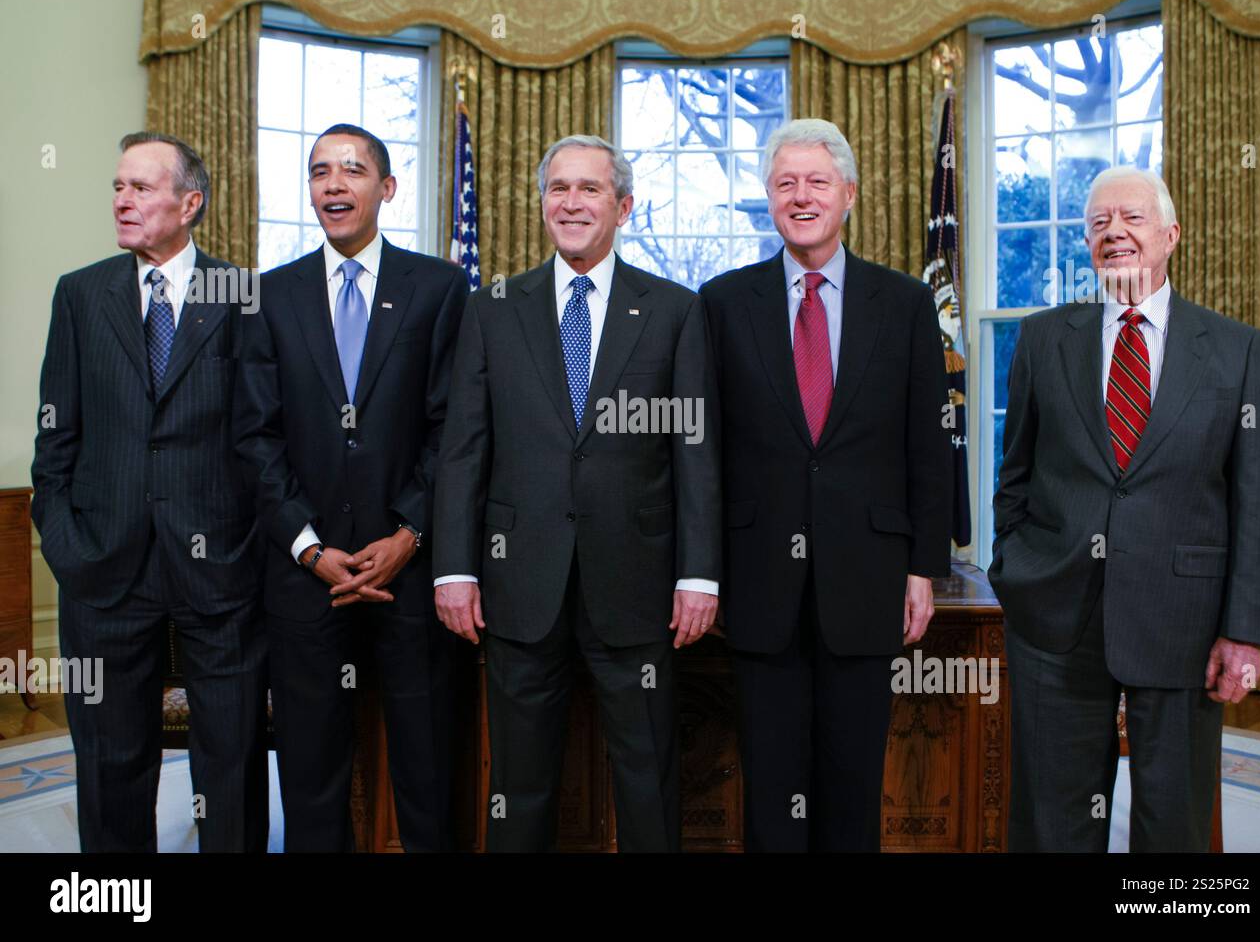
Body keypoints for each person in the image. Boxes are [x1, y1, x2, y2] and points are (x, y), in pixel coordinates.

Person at [432, 134, 722, 852]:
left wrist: (698, 573)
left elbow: (696, 451)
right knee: (520, 785)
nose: (571, 202)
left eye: (589, 189)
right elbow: (464, 447)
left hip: (639, 584)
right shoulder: (492, 308)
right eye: (558, 189)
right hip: (518, 584)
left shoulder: (674, 310)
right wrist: (455, 567)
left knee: (647, 776)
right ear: (541, 205)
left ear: (623, 206)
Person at [988, 166, 1260, 852]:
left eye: (1132, 218)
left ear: (1171, 236)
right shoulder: (1042, 340)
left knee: (1172, 821)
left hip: (1184, 619)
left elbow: (1256, 499)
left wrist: (1243, 630)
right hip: (1057, 616)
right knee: (1053, 819)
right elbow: (1016, 476)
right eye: (1097, 223)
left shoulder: (1234, 349)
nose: (1113, 232)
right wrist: (1016, 567)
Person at [698, 118, 953, 852]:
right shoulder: (723, 303)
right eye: (785, 184)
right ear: (768, 198)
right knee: (771, 790)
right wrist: (704, 573)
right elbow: (703, 450)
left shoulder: (903, 303)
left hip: (869, 578)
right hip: (757, 582)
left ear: (848, 193)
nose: (800, 197)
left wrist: (922, 566)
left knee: (851, 788)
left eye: (816, 182)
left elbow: (927, 445)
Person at [233, 123, 468, 851]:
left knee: (428, 773)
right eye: (319, 172)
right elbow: (254, 437)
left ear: (386, 189)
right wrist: (309, 548)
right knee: (311, 777)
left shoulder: (439, 288)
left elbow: (453, 430)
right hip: (308, 582)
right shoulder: (268, 296)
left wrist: (407, 534)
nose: (334, 184)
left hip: (411, 574)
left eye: (352, 170)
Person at [32, 131, 267, 852]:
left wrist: (249, 547)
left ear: (189, 203)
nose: (122, 200)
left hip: (218, 567)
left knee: (229, 759)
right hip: (103, 568)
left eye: (140, 187)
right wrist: (68, 546)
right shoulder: (81, 293)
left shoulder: (243, 294)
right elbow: (56, 439)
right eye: (117, 187)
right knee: (109, 759)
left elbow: (264, 437)